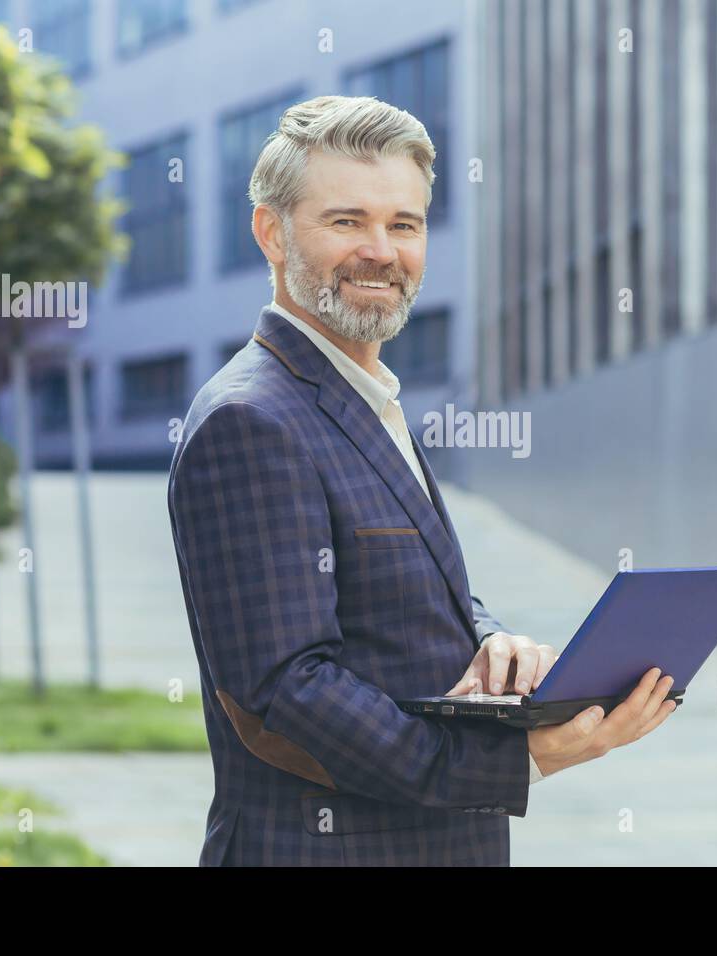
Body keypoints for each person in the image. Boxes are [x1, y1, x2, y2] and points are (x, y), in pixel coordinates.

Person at [167, 95, 676, 866]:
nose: (382, 250)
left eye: (403, 225)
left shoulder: (362, 397)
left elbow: (398, 589)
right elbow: (287, 692)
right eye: (346, 222)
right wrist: (520, 759)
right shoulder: (253, 422)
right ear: (271, 233)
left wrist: (488, 642)